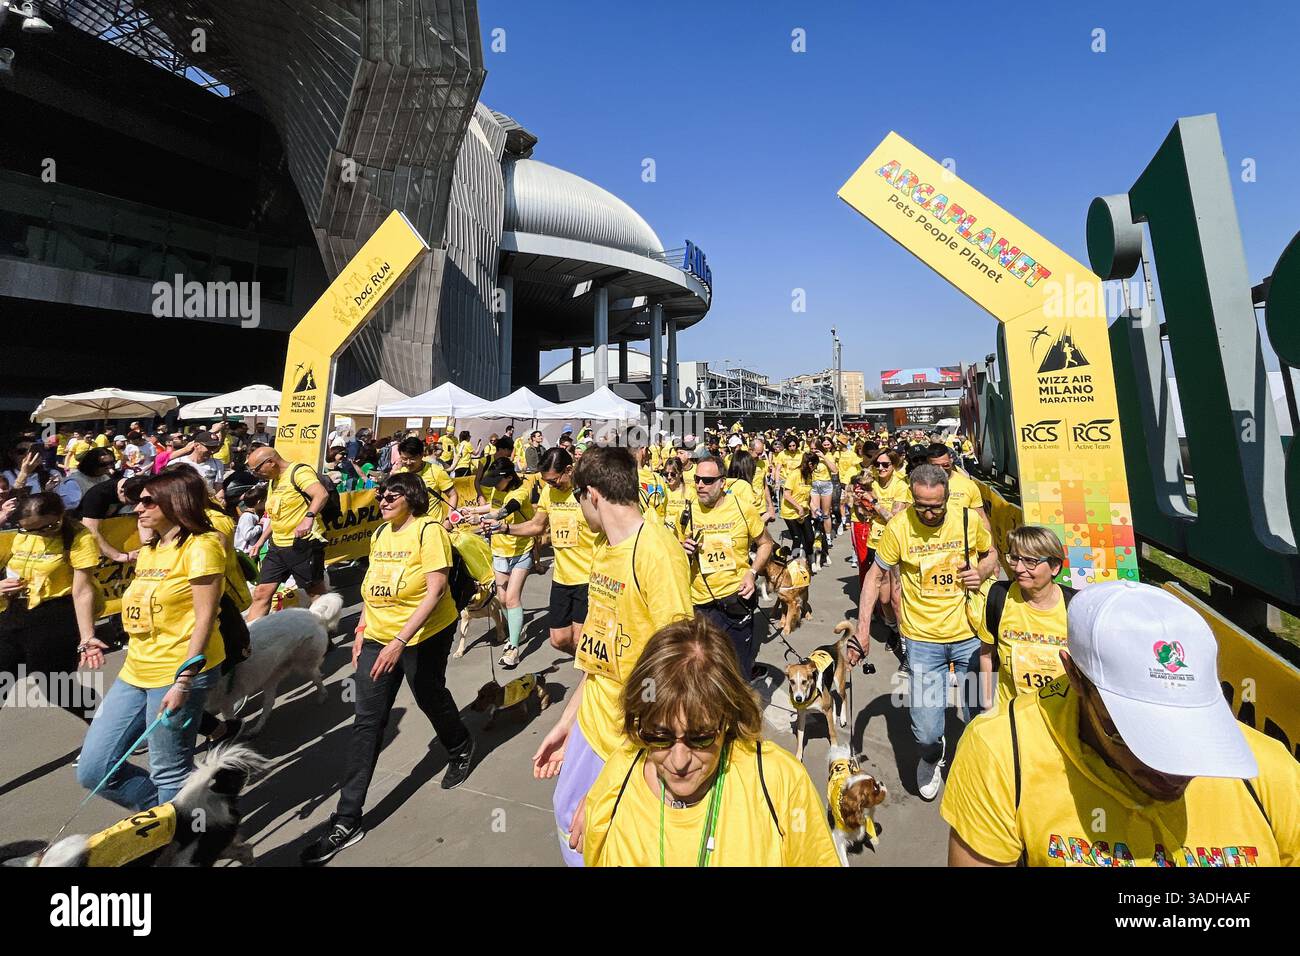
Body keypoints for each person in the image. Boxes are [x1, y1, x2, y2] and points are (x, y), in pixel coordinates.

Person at [943, 581, 1300, 866]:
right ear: (1074, 676)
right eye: (1134, 732)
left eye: (1195, 728)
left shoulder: (1274, 772)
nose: (1174, 768)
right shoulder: (1001, 752)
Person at [301, 472, 475, 864]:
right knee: (367, 722)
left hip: (425, 633)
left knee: (428, 694)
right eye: (381, 494)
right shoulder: (380, 534)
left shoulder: (429, 531)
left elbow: (435, 591)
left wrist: (399, 642)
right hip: (378, 635)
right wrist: (362, 628)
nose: (384, 500)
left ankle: (460, 745)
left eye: (393, 494)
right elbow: (372, 585)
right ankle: (347, 819)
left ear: (412, 497)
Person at [532, 446, 692, 866]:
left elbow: (679, 674)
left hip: (631, 739)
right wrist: (567, 724)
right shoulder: (603, 548)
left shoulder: (658, 553)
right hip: (592, 723)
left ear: (592, 494)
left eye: (577, 498)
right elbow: (596, 661)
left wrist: (618, 783)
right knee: (568, 823)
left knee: (606, 843)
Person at [583, 616, 840, 866]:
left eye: (700, 737)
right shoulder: (616, 782)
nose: (679, 761)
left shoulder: (782, 784)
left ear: (729, 717)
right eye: (659, 736)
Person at [76, 471, 226, 809]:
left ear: (175, 502)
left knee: (169, 772)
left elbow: (205, 617)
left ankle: (178, 832)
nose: (137, 508)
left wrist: (184, 680)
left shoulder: (202, 547)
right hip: (135, 670)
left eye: (147, 501)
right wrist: (90, 637)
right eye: (137, 501)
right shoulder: (150, 550)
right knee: (94, 770)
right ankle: (173, 815)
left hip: (178, 672)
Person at [851, 463, 997, 801]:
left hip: (968, 635)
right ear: (912, 498)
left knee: (979, 714)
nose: (929, 513)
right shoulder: (899, 527)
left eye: (936, 506)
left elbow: (991, 554)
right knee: (927, 731)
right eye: (922, 506)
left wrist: (981, 570)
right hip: (923, 640)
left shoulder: (966, 519)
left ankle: (976, 766)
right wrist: (862, 632)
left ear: (947, 497)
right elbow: (874, 577)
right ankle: (932, 756)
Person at [0, 493, 107, 725]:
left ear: (60, 515)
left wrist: (87, 637)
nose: (37, 533)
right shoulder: (22, 534)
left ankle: (109, 729)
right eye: (28, 529)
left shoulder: (79, 538)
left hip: (56, 616)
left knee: (57, 688)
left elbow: (82, 591)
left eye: (45, 527)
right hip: (16, 611)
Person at [679, 455, 773, 674]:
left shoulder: (742, 508)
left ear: (723, 482)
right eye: (697, 479)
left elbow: (766, 543)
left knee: (738, 671)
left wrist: (752, 572)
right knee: (705, 672)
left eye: (707, 480)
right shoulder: (687, 510)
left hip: (736, 598)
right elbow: (676, 549)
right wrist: (683, 549)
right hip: (701, 603)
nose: (700, 485)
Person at [497, 448, 595, 655]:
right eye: (546, 481)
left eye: (553, 480)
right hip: (562, 578)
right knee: (559, 640)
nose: (550, 485)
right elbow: (537, 526)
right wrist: (505, 528)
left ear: (569, 470)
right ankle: (588, 665)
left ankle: (589, 672)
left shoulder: (588, 492)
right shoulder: (549, 492)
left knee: (581, 641)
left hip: (588, 577)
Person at [980, 526, 1073, 709]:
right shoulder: (999, 596)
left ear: (1055, 567)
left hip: (1062, 716)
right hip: (1010, 715)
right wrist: (987, 706)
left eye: (1031, 561)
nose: (1019, 569)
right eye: (1015, 558)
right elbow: (986, 655)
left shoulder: (1074, 606)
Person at [244, 447, 331, 622]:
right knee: (261, 593)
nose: (256, 475)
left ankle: (324, 630)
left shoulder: (298, 472)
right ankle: (251, 635)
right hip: (277, 546)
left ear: (271, 462)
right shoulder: (273, 481)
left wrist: (308, 518)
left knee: (315, 593)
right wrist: (260, 542)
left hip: (302, 544)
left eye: (257, 470)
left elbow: (321, 494)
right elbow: (276, 517)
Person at [465, 459, 534, 668]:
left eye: (497, 481)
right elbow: (493, 505)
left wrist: (482, 518)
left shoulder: (520, 492)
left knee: (512, 598)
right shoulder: (498, 489)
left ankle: (513, 647)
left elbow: (505, 510)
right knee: (502, 599)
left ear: (509, 477)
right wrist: (473, 511)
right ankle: (517, 630)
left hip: (521, 551)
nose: (494, 485)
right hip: (499, 551)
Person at [80, 473, 148, 563]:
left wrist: (148, 546)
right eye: (130, 503)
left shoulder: (143, 486)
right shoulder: (97, 495)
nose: (137, 508)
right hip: (94, 552)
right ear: (121, 491)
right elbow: (91, 531)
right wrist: (118, 556)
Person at [392, 436, 457, 522]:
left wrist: (448, 520)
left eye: (412, 458)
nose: (408, 462)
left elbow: (453, 495)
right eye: (404, 459)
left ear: (422, 455)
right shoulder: (401, 474)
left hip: (432, 524)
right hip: (409, 525)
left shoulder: (436, 471)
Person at [926, 442, 987, 528]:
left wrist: (988, 535)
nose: (941, 470)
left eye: (945, 465)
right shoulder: (919, 486)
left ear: (951, 460)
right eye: (935, 467)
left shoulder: (968, 485)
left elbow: (981, 518)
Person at [779, 452, 817, 570]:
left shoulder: (809, 476)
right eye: (815, 465)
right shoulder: (795, 474)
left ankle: (809, 558)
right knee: (797, 538)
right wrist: (798, 507)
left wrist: (813, 508)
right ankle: (793, 564)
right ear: (810, 464)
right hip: (790, 512)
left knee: (810, 538)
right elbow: (786, 494)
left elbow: (807, 495)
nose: (815, 468)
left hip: (804, 511)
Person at [59, 446, 115, 512]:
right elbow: (70, 509)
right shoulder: (74, 482)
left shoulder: (106, 478)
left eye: (111, 463)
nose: (109, 467)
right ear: (91, 464)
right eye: (103, 464)